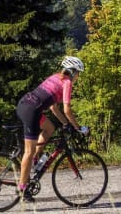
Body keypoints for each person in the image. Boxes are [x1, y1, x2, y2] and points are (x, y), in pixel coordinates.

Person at [14, 55, 90, 202]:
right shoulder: (67, 82)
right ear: (73, 72)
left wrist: (66, 124)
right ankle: (22, 189)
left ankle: (36, 161)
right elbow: (67, 109)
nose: (78, 77)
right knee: (28, 151)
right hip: (32, 110)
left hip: (25, 104)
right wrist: (78, 127)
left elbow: (53, 107)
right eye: (78, 73)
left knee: (49, 128)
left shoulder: (55, 77)